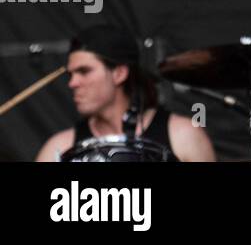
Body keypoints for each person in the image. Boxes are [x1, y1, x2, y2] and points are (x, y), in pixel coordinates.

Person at [34, 24, 215, 162]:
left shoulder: (182, 135)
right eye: (70, 74)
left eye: (84, 71)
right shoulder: (59, 148)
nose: (72, 83)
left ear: (119, 73)